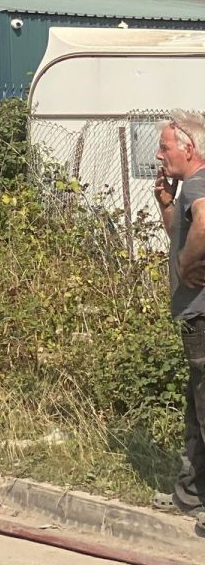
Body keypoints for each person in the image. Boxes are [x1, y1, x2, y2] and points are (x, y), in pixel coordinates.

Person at [155, 112, 205, 529]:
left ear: (188, 149)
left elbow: (203, 225)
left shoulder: (198, 183)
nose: (160, 154)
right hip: (196, 318)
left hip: (202, 317)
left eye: (166, 146)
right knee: (195, 408)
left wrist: (189, 267)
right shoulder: (187, 189)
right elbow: (184, 231)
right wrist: (168, 204)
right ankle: (190, 494)